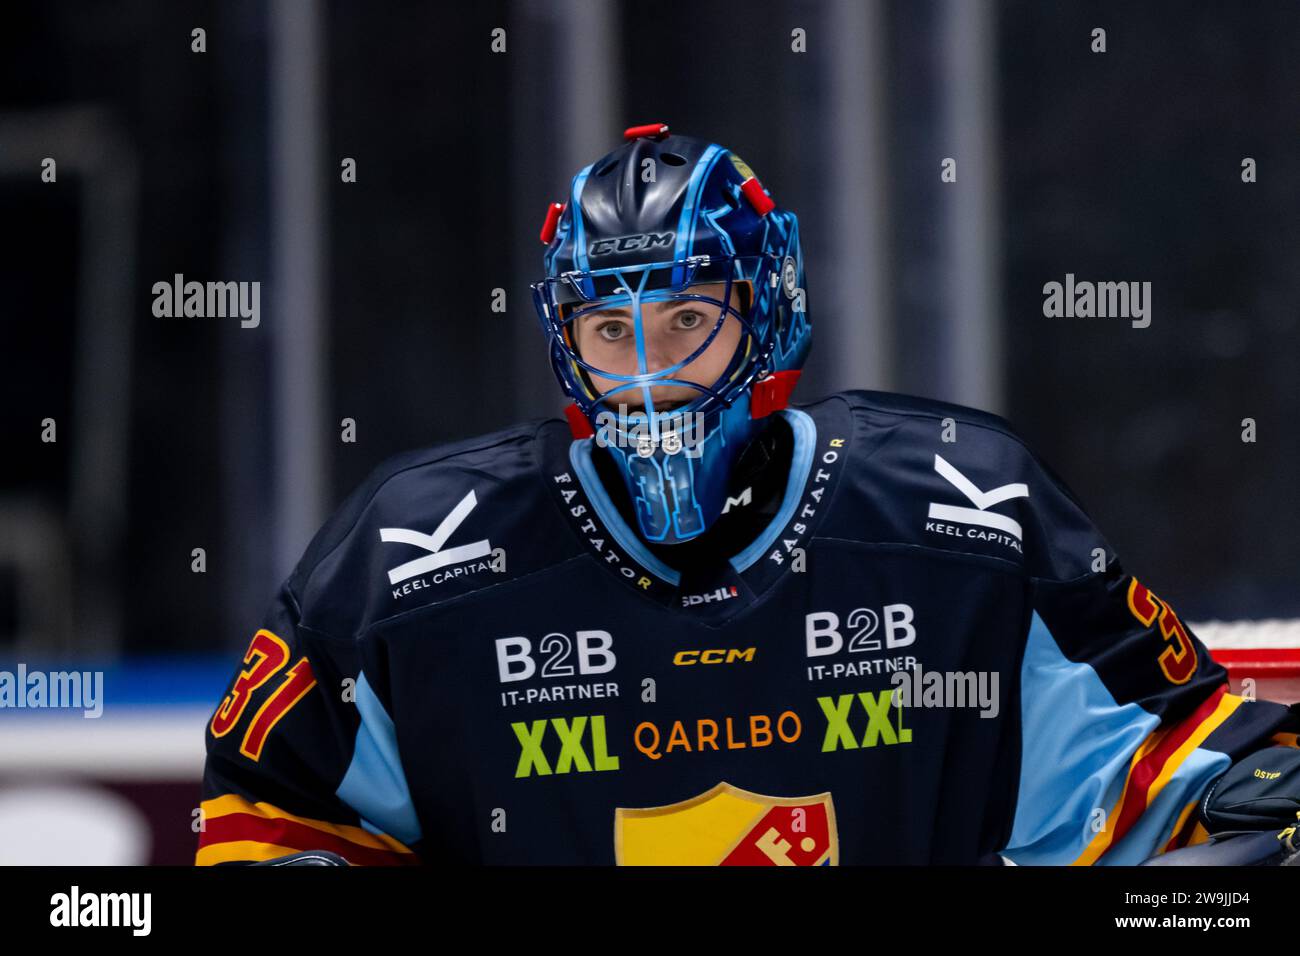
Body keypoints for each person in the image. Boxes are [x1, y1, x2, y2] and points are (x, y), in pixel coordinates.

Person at [197, 124, 1300, 866]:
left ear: (763, 313)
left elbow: (1188, 777)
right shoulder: (413, 557)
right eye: (609, 331)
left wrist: (1255, 814)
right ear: (563, 341)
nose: (646, 374)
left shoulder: (963, 513)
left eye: (687, 320)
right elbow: (266, 818)